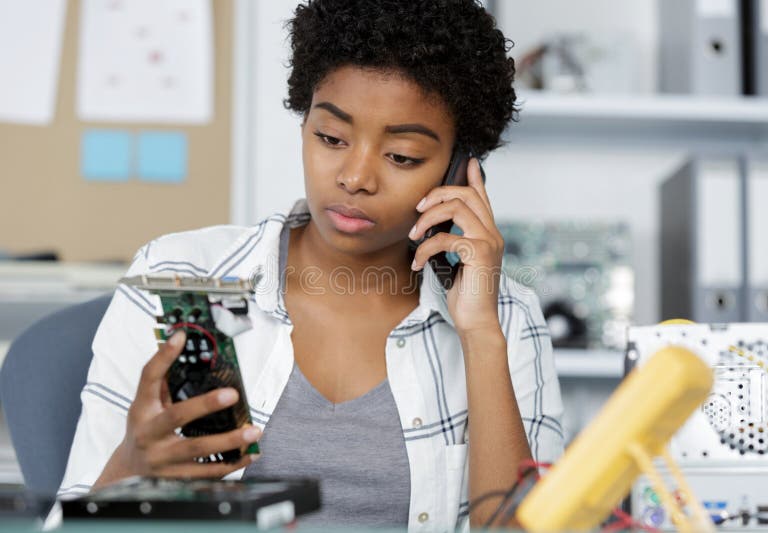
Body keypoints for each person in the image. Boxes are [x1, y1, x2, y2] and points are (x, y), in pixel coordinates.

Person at [58, 0, 564, 529]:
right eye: (330, 138)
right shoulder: (182, 281)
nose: (354, 177)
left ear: (460, 171)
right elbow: (65, 524)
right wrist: (129, 471)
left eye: (402, 156)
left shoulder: (505, 316)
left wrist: (481, 336)